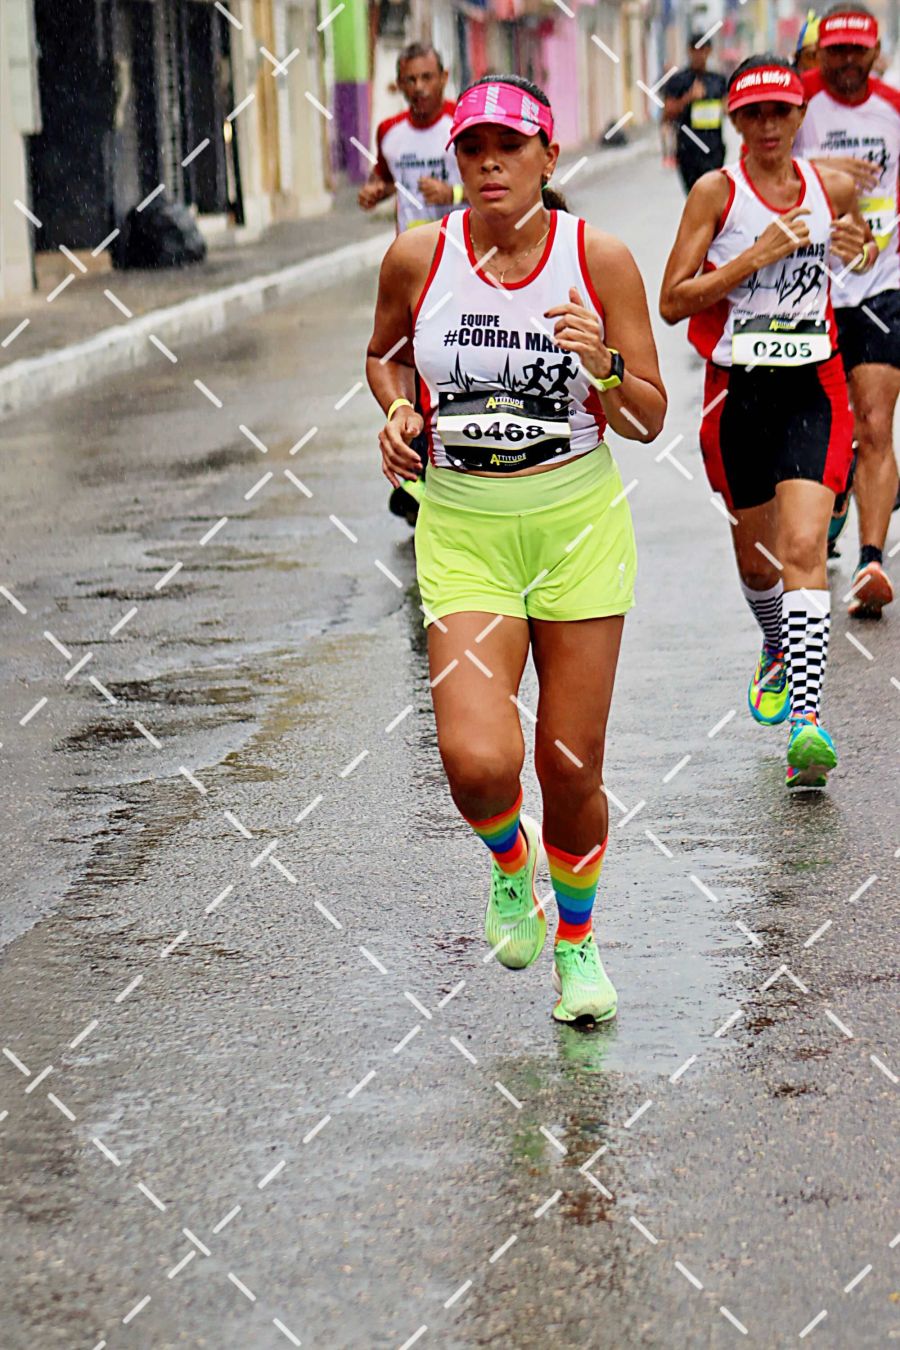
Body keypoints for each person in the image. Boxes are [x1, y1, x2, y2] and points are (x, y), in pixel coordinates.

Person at [366, 75, 666, 1021]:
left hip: (577, 526)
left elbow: (648, 418)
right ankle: (511, 859)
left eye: (510, 145)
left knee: (570, 765)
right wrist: (399, 411)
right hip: (465, 527)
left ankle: (577, 945)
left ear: (548, 156)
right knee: (477, 762)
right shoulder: (419, 256)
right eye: (472, 147)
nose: (489, 162)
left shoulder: (597, 258)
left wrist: (604, 365)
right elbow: (384, 357)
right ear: (455, 158)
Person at [660, 55, 873, 788]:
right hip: (738, 393)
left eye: (781, 111)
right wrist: (753, 257)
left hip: (814, 385)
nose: (769, 126)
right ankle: (777, 642)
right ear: (738, 122)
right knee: (759, 565)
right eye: (753, 114)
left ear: (799, 114)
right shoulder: (716, 194)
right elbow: (672, 301)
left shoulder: (829, 186)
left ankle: (806, 724)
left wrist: (860, 249)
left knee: (805, 545)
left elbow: (858, 248)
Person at [793, 6, 900, 616]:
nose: (848, 62)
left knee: (876, 423)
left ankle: (870, 561)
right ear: (821, 52)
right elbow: (759, 171)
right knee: (826, 430)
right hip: (807, 290)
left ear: (875, 51)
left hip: (883, 285)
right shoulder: (794, 104)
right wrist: (826, 172)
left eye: (858, 50)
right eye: (836, 51)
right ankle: (829, 509)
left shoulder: (893, 107)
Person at [358, 44, 465, 529]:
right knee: (409, 362)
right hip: (410, 269)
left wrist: (453, 193)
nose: (419, 88)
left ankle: (447, 466)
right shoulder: (390, 133)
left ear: (444, 76)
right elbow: (386, 177)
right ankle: (416, 473)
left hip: (462, 263)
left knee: (450, 364)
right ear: (399, 85)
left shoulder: (461, 125)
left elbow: (499, 184)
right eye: (410, 80)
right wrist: (375, 191)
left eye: (427, 77)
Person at [664, 34, 728, 194]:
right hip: (688, 150)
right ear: (689, 51)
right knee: (694, 196)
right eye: (696, 50)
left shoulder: (718, 80)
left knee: (713, 196)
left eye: (703, 50)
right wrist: (688, 98)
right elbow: (667, 113)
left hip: (713, 149)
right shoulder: (678, 81)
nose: (700, 55)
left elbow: (729, 108)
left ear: (709, 51)